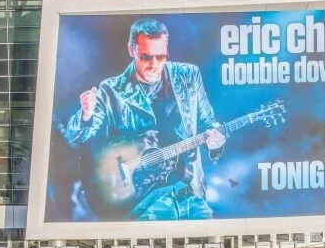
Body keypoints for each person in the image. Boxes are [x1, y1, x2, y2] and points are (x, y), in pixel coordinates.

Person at [58, 17, 227, 221]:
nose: (154, 65)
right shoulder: (111, 90)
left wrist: (216, 141)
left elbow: (208, 123)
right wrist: (86, 114)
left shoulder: (188, 76)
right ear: (132, 50)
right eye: (146, 57)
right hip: (144, 205)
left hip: (191, 194)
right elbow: (75, 137)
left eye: (161, 57)